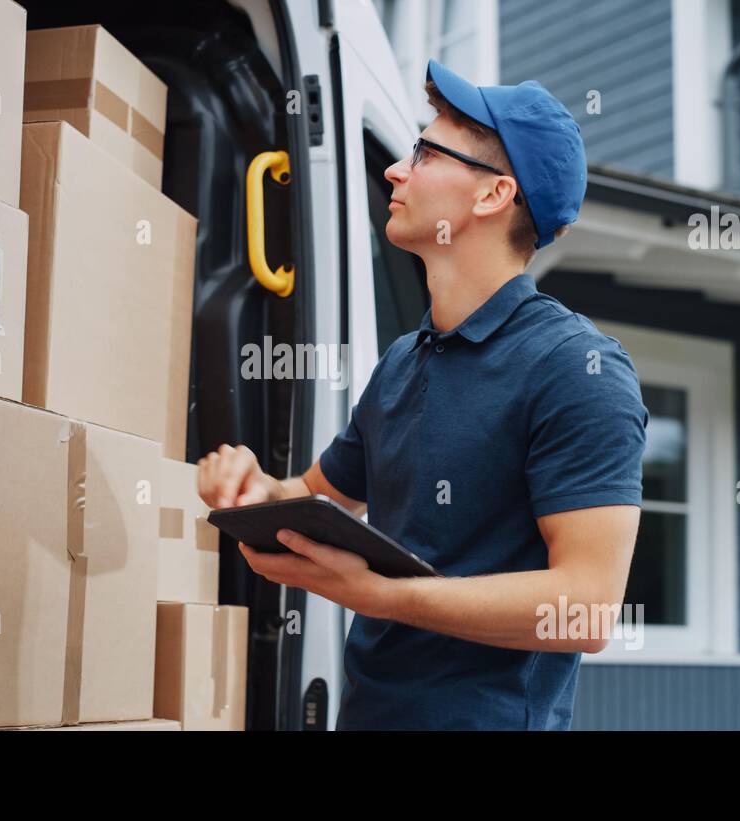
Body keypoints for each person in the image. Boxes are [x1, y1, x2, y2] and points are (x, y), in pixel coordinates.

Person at [197, 59, 649, 730]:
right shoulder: (404, 362)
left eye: (426, 153)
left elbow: (586, 608)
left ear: (494, 196)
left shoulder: (577, 369)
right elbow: (312, 498)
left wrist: (387, 596)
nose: (395, 170)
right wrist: (249, 486)